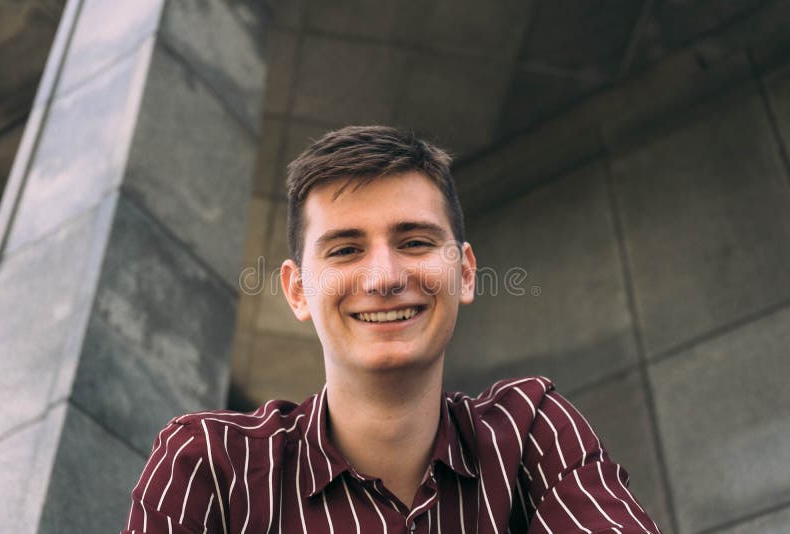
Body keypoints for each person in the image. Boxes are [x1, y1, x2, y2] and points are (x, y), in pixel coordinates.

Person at [122, 126, 660, 533]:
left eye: (416, 242)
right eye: (346, 250)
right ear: (297, 291)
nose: (384, 278)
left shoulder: (529, 432)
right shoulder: (211, 464)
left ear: (465, 272)